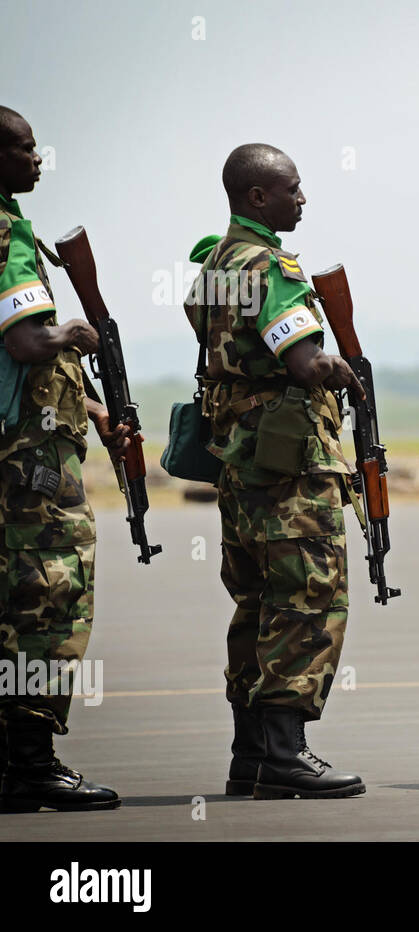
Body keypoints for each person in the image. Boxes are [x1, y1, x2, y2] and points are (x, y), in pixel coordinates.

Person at [184, 143, 366, 799]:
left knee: (256, 601)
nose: (302, 198)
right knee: (306, 597)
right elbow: (301, 360)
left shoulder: (214, 264)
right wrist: (342, 368)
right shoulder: (269, 266)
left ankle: (252, 753)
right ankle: (285, 754)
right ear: (257, 196)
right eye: (291, 188)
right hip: (290, 464)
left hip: (240, 459)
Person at [0, 106, 134, 811]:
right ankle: (31, 762)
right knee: (47, 601)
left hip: (20, 449)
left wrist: (93, 408)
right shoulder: (8, 236)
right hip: (30, 470)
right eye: (24, 149)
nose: (38, 158)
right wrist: (73, 332)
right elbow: (26, 345)